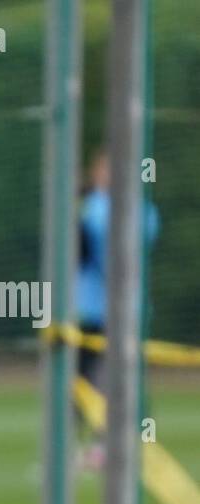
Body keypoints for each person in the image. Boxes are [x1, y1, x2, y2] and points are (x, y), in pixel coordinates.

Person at [75, 148, 160, 469]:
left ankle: (126, 445)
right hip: (93, 311)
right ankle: (92, 444)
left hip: (121, 311)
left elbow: (105, 235)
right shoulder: (97, 208)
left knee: (121, 381)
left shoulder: (123, 210)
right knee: (87, 382)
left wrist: (98, 192)